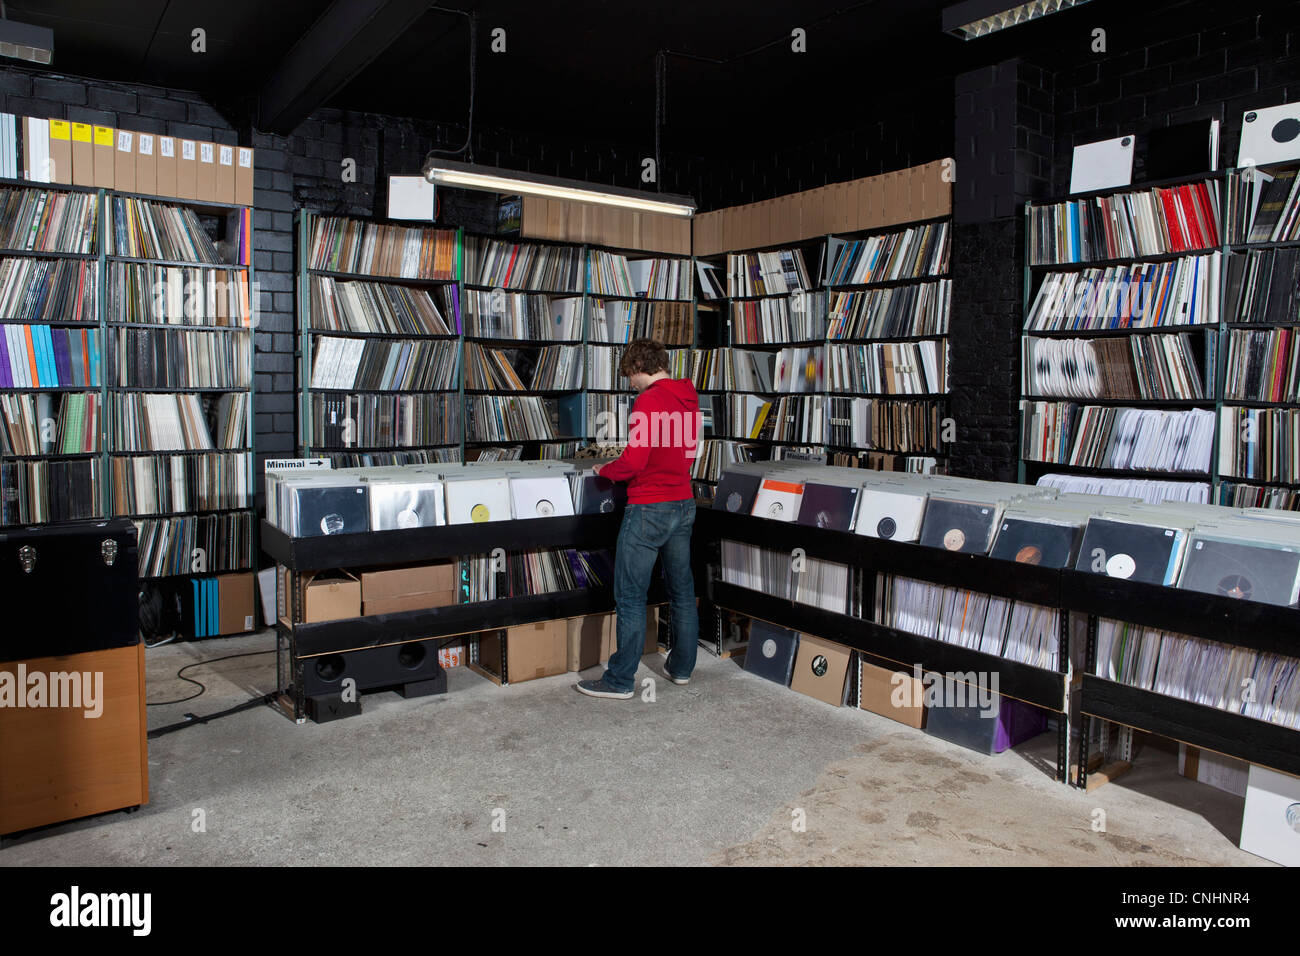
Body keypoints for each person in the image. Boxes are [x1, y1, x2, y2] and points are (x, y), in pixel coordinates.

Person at [576, 339, 700, 699]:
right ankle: (681, 669)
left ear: (639, 366)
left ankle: (618, 680)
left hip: (649, 506)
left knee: (630, 595)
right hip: (683, 502)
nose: (629, 383)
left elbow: (634, 461)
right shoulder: (688, 398)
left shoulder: (649, 400)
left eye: (630, 374)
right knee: (682, 591)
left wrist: (606, 470)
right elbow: (688, 451)